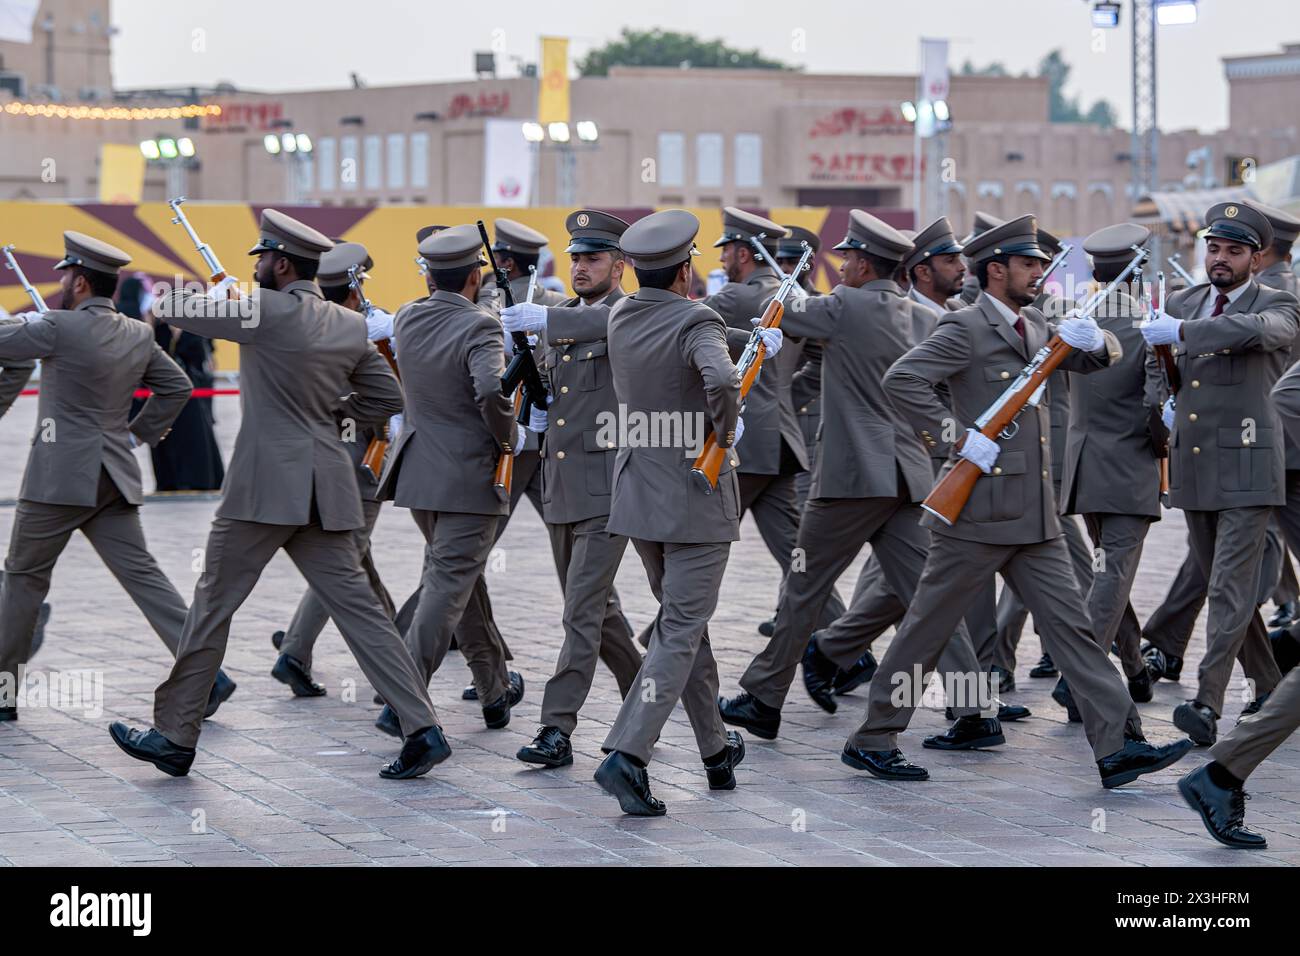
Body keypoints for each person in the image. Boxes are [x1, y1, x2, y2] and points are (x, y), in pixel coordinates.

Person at [847, 214, 1193, 786]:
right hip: (978, 515)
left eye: (1039, 264)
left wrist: (1100, 340)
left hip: (1034, 516)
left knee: (1074, 632)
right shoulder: (965, 328)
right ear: (996, 270)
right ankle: (874, 737)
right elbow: (902, 380)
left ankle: (1118, 746)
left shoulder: (1035, 322)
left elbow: (1098, 353)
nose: (1039, 273)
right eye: (1028, 264)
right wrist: (955, 437)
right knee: (926, 630)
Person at [109, 209, 448, 780]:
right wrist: (336, 411)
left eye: (262, 259)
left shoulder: (259, 309)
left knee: (214, 604)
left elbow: (169, 309)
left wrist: (230, 297)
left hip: (264, 488)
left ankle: (174, 734)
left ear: (282, 262)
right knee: (363, 614)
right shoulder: (345, 324)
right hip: (327, 489)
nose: (259, 267)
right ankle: (423, 727)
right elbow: (388, 396)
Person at [719, 210, 1009, 749]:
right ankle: (974, 709)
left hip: (852, 476)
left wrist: (783, 286)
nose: (842, 265)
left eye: (847, 258)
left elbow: (774, 310)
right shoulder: (921, 317)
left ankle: (763, 698)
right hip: (909, 476)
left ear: (859, 263)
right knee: (931, 599)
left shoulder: (842, 306)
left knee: (804, 587)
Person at [0, 232, 236, 722]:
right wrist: (134, 436)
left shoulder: (57, 326)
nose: (62, 281)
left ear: (80, 280)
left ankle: (2, 692)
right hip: (114, 474)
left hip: (58, 479)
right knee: (144, 578)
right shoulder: (135, 332)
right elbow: (176, 387)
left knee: (24, 580)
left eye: (65, 274)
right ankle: (206, 675)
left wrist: (20, 322)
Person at [593, 209, 780, 816]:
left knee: (681, 622)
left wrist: (747, 341)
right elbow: (721, 384)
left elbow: (673, 353)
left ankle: (715, 749)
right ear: (685, 269)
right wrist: (725, 431)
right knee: (679, 629)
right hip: (694, 493)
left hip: (639, 493)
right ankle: (628, 753)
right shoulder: (697, 316)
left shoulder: (621, 315)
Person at [1141, 201, 1299, 746]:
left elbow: (1260, 332)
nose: (1220, 259)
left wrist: (1182, 330)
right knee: (1219, 584)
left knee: (1232, 586)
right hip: (1196, 464)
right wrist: (1161, 403)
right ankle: (1272, 687)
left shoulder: (1277, 302)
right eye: (1213, 248)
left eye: (1234, 251)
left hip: (1252, 465)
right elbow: (1154, 365)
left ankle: (1207, 702)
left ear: (1257, 258)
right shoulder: (1182, 300)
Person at [372, 224, 529, 734]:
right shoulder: (480, 324)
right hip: (468, 476)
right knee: (446, 585)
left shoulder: (408, 317)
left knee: (462, 580)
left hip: (419, 473)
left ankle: (494, 688)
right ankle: (404, 697)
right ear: (473, 276)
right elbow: (489, 390)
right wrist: (511, 435)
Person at [501, 209, 644, 766]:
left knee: (579, 613)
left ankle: (555, 729)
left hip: (608, 490)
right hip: (562, 488)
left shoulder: (627, 314)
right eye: (576, 258)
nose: (582, 267)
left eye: (594, 258)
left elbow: (606, 325)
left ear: (621, 265)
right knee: (596, 610)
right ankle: (653, 687)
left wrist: (543, 318)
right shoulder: (558, 316)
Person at [703, 207, 844, 637]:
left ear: (744, 253)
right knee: (796, 554)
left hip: (744, 445)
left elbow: (681, 332)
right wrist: (785, 398)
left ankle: (665, 634)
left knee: (701, 544)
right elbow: (820, 358)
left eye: (727, 250)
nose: (723, 259)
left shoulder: (733, 298)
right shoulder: (791, 296)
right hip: (781, 441)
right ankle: (847, 647)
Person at [270, 241, 397, 698]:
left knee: (357, 563)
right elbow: (389, 393)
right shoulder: (361, 329)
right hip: (361, 459)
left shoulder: (309, 324)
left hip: (320, 455)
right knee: (344, 565)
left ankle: (400, 650)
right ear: (357, 285)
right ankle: (297, 652)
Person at [1057, 224, 1165, 702]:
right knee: (1113, 574)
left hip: (1084, 468)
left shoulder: (1073, 322)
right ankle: (1080, 678)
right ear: (1139, 272)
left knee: (1109, 573)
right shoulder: (1149, 327)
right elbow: (1157, 409)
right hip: (1130, 468)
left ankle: (1135, 666)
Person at [118, 275, 225, 492]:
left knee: (183, 442)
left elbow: (195, 354)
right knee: (184, 442)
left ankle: (181, 482)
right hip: (174, 394)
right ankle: (186, 482)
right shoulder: (141, 319)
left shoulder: (137, 319)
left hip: (166, 395)